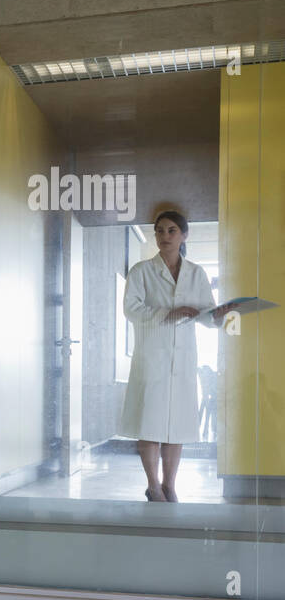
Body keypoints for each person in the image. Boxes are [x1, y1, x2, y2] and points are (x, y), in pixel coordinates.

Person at [119, 211, 231, 502]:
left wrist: (217, 315)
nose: (164, 237)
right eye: (159, 231)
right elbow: (131, 309)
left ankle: (170, 484)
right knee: (151, 422)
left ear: (184, 235)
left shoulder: (197, 273)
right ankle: (153, 485)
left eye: (171, 231)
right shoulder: (141, 271)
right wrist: (167, 313)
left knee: (177, 425)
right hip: (152, 355)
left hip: (182, 358)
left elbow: (205, 314)